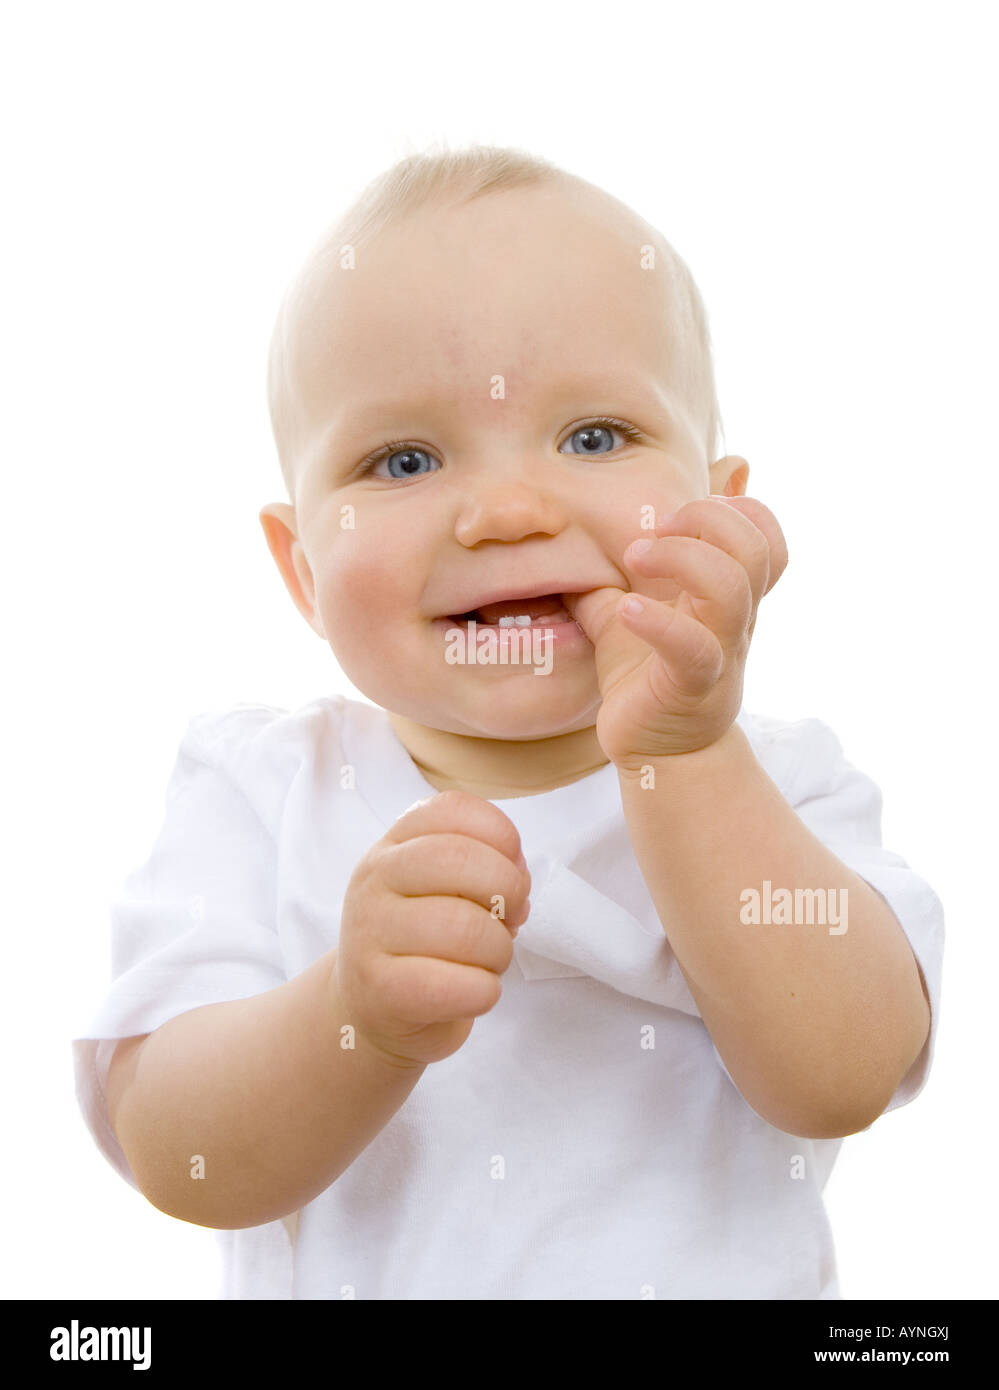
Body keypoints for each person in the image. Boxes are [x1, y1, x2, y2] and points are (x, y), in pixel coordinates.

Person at [72, 141, 944, 1300]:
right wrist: (351, 1020)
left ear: (715, 510)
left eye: (593, 437)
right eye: (404, 459)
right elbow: (177, 1152)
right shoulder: (260, 789)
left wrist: (687, 758)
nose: (504, 510)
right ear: (301, 571)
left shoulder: (779, 782)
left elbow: (848, 1073)